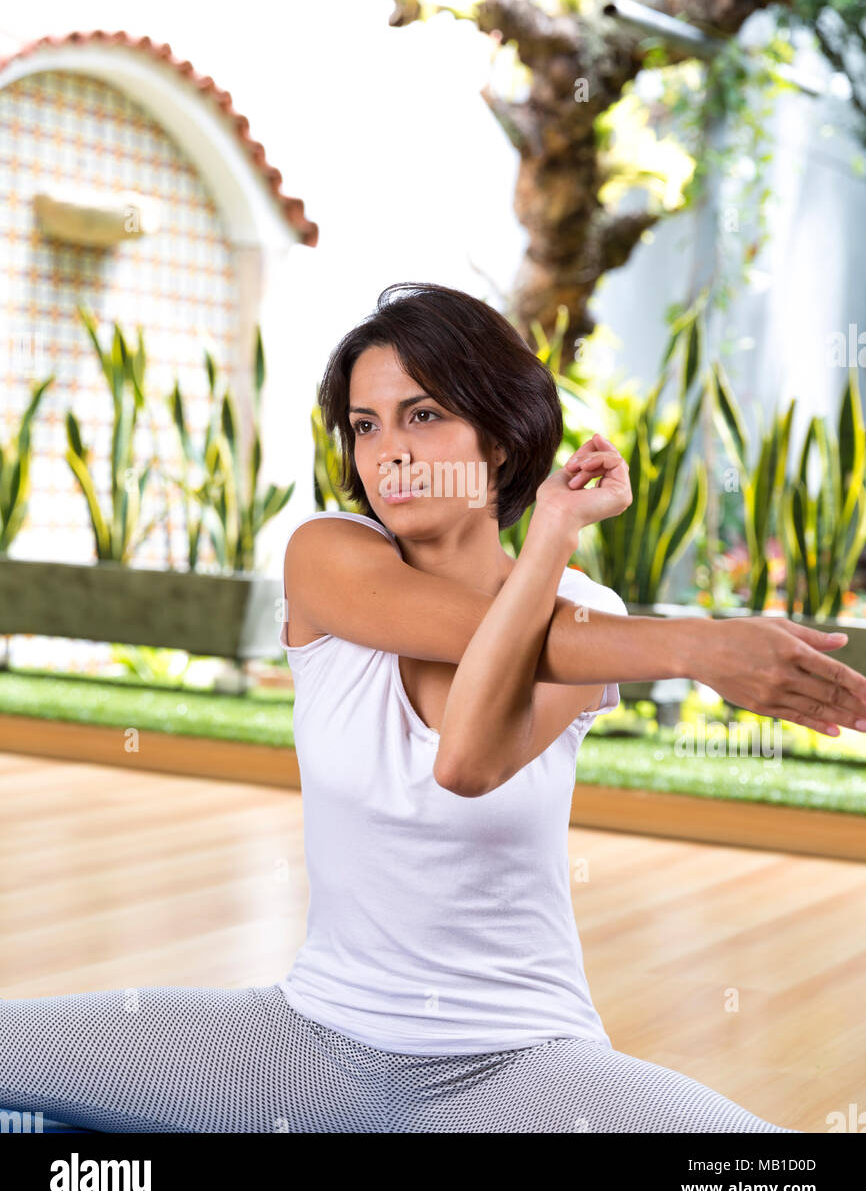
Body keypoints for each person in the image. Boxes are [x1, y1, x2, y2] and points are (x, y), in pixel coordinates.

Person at [3, 282, 864, 1133]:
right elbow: (485, 631)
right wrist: (696, 647)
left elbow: (467, 762)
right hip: (305, 1045)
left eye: (422, 416)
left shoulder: (581, 606)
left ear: (499, 435)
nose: (388, 452)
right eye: (364, 426)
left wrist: (557, 531)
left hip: (520, 1065)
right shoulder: (329, 556)